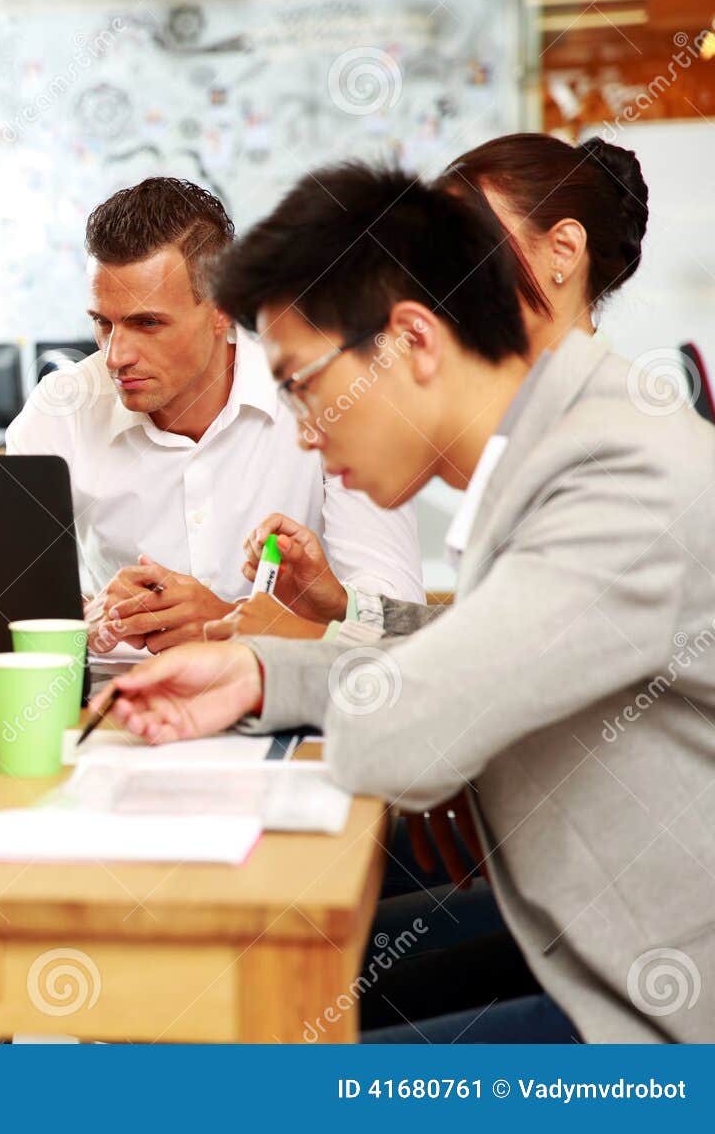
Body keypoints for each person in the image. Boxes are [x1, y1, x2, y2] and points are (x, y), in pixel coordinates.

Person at [95, 161, 715, 1043]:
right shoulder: (565, 440)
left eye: (307, 383)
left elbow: (408, 728)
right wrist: (257, 670)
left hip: (663, 1025)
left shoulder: (620, 478)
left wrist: (283, 672)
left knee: (254, 1069)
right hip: (583, 945)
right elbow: (452, 646)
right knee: (247, 1005)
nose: (305, 429)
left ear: (414, 341)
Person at [214, 133, 651, 644]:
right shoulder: (524, 440)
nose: (442, 281)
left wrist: (285, 653)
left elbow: (479, 678)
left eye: (472, 248)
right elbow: (490, 643)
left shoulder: (605, 460)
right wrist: (341, 607)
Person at [4, 177, 422, 656]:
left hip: (280, 692)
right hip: (115, 701)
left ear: (223, 309)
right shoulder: (62, 406)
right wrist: (86, 620)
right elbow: (1, 595)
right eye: (103, 322)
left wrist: (229, 621)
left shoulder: (335, 398)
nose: (116, 355)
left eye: (147, 323)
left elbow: (395, 620)